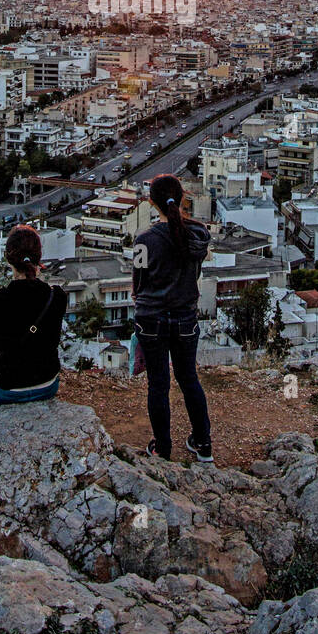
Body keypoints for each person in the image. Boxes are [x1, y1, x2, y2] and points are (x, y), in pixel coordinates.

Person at [133, 173, 213, 462]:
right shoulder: (198, 236)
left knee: (158, 384)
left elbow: (138, 281)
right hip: (185, 317)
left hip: (152, 319)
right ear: (181, 199)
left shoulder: (144, 241)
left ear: (151, 203)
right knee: (189, 378)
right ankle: (203, 444)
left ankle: (163, 449)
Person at [0, 224, 67, 406]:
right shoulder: (57, 297)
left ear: (8, 258)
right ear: (39, 258)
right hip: (47, 383)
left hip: (9, 384)